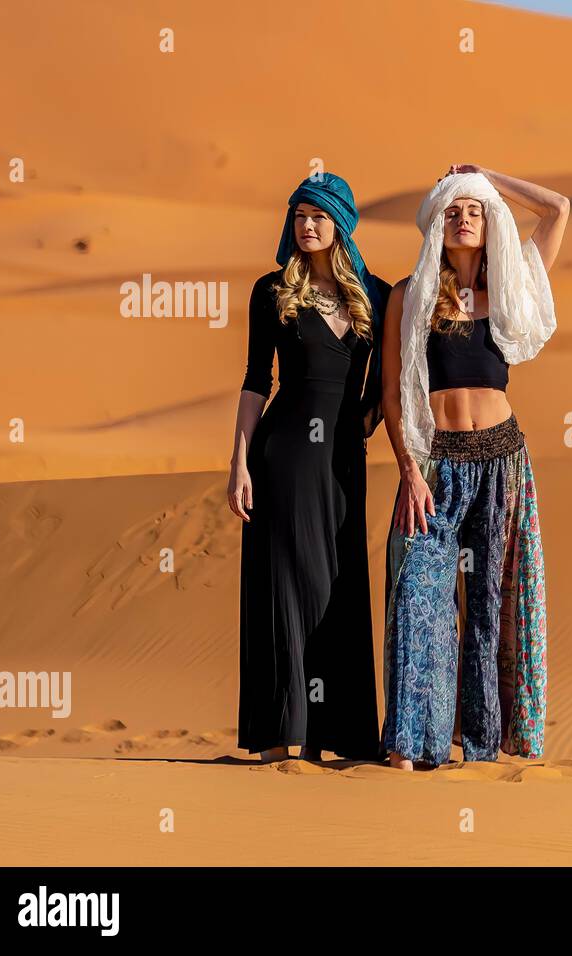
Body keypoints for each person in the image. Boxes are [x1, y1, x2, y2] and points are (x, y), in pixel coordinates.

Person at [379, 165, 568, 770]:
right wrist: (408, 468)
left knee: (491, 606)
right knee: (420, 600)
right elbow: (391, 395)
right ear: (437, 222)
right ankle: (412, 744)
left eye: (476, 211)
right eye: (454, 210)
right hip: (433, 468)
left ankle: (484, 746)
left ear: (491, 225)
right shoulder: (408, 297)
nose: (464, 218)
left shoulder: (510, 289)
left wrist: (488, 178)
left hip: (501, 460)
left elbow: (558, 209)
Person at [228, 172, 390, 763]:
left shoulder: (376, 294)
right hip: (284, 455)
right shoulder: (271, 292)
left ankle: (335, 736)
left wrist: (366, 424)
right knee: (284, 587)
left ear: (341, 223)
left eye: (318, 216)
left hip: (343, 461)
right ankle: (279, 738)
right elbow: (255, 381)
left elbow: (386, 388)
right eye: (298, 216)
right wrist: (239, 462)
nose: (306, 226)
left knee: (338, 585)